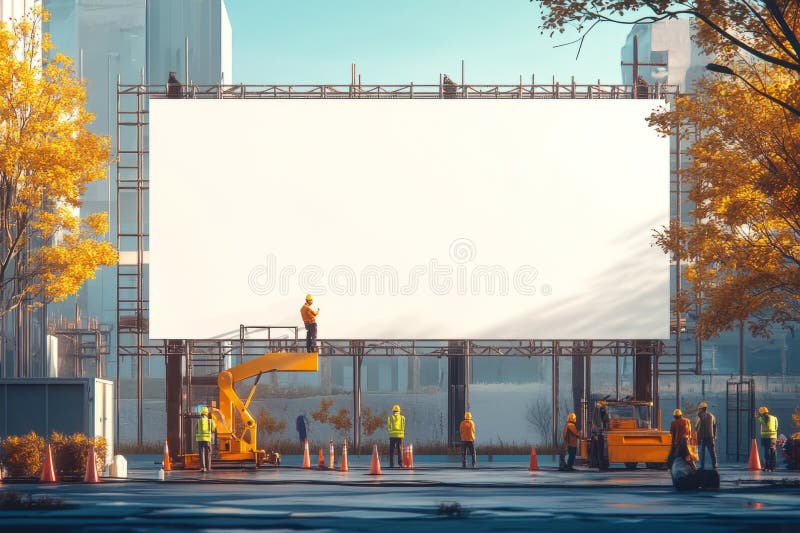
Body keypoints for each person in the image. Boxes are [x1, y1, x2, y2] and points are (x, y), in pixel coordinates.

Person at [695, 400, 718, 470]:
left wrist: (698, 437)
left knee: (702, 453)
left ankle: (702, 466)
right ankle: (715, 465)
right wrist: (714, 435)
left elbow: (696, 427)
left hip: (702, 438)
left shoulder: (699, 416)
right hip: (710, 437)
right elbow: (715, 426)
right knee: (712, 452)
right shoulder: (712, 416)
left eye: (699, 409)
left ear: (701, 409)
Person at [756, 406, 778, 471]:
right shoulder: (774, 418)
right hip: (773, 437)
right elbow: (776, 427)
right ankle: (773, 467)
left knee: (766, 452)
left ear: (762, 413)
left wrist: (758, 416)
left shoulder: (762, 418)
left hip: (766, 437)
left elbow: (761, 421)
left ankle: (767, 467)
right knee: (773, 452)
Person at [196, 406, 216, 472]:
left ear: (201, 413)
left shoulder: (198, 421)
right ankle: (208, 468)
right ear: (207, 413)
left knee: (201, 453)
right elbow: (213, 429)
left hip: (199, 440)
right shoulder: (210, 421)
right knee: (208, 453)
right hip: (207, 440)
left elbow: (196, 429)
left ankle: (202, 468)